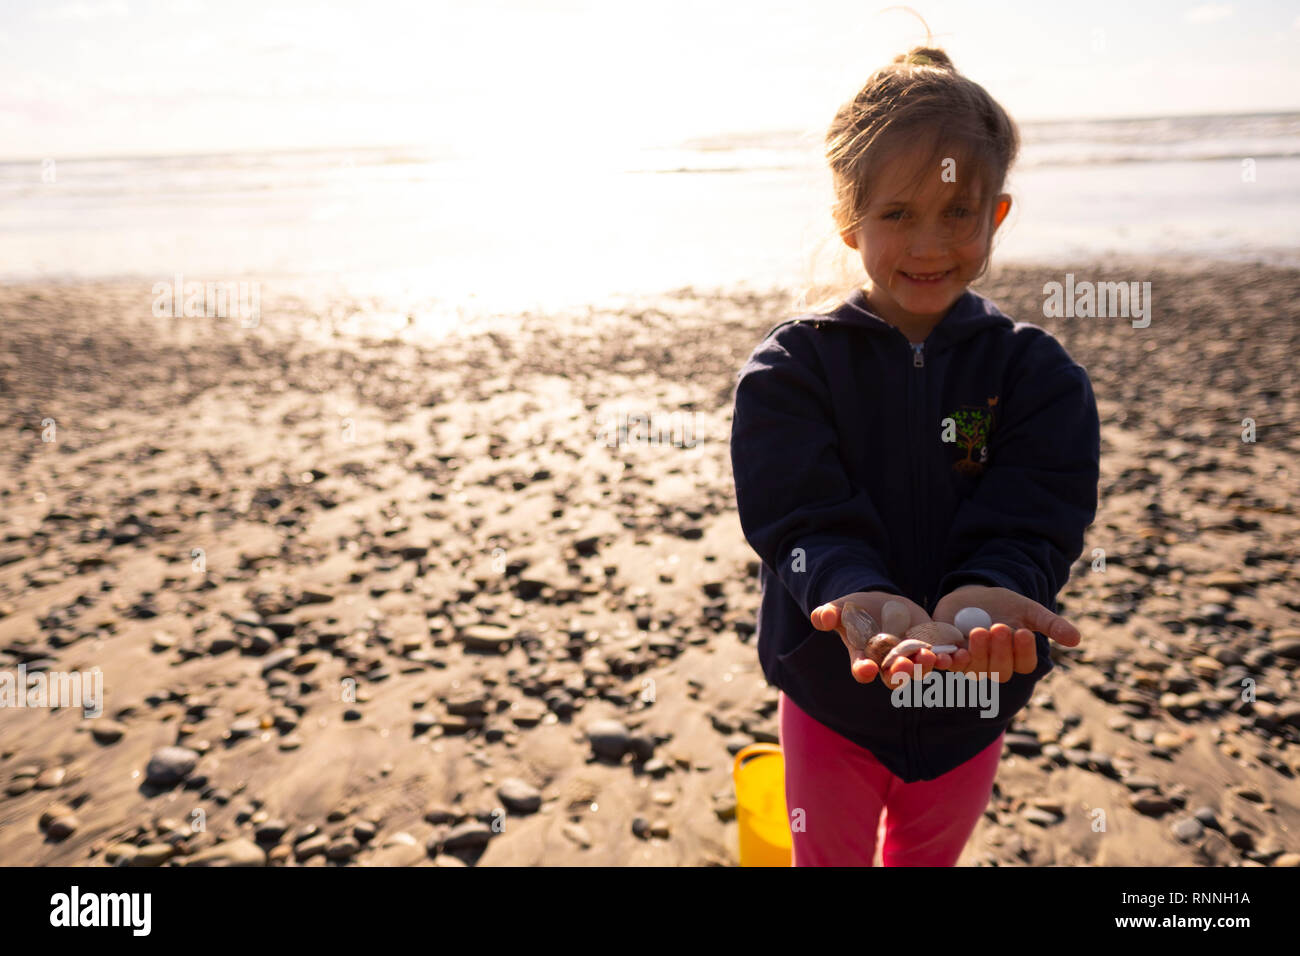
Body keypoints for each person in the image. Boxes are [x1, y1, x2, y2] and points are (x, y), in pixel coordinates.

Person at [728, 46, 1100, 866]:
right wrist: (854, 593)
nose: (929, 244)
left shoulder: (1036, 375)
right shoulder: (792, 371)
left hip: (972, 692)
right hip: (836, 690)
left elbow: (1038, 513)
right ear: (847, 218)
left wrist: (998, 590)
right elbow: (798, 516)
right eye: (897, 214)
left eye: (957, 213)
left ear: (996, 216)